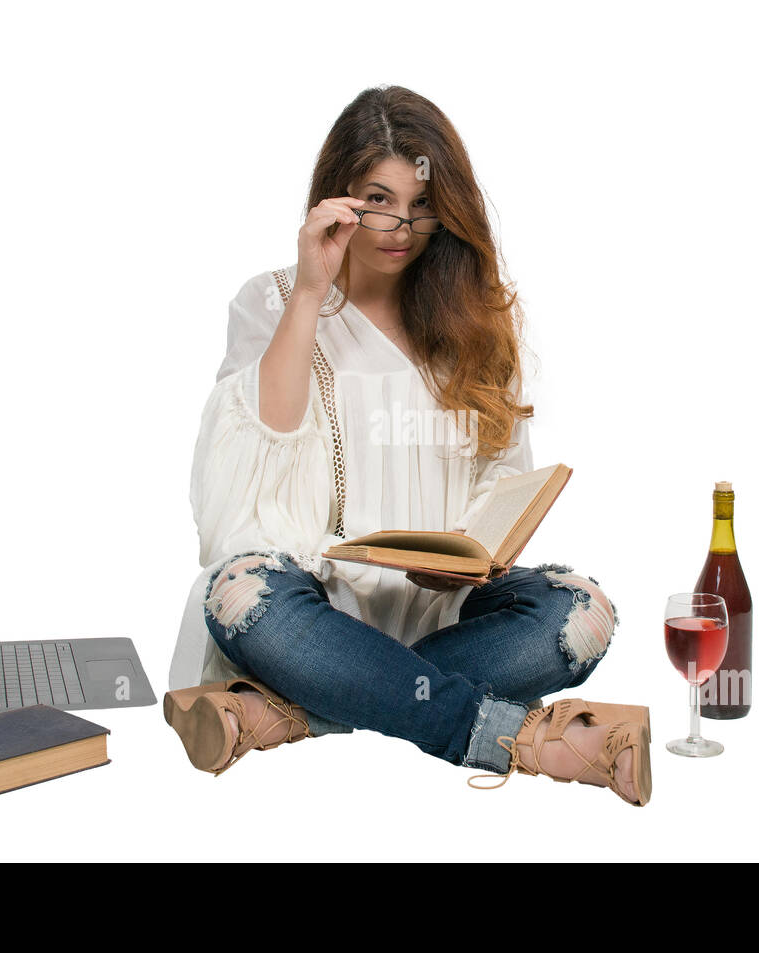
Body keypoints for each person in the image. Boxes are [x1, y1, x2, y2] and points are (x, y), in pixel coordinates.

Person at [167, 85, 650, 805]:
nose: (401, 224)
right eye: (378, 198)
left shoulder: (475, 318)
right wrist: (309, 292)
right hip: (308, 606)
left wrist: (470, 559)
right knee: (238, 596)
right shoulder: (271, 300)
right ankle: (523, 738)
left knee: (581, 614)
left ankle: (299, 709)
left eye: (422, 203)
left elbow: (498, 483)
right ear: (338, 199)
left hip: (441, 615)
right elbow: (252, 457)